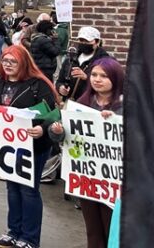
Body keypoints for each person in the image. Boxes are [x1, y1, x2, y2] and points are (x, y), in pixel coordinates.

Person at [0, 45, 58, 248]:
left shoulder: (38, 84)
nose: (7, 65)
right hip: (8, 146)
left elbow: (53, 115)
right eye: (4, 60)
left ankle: (30, 238)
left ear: (23, 62)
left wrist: (42, 129)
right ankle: (14, 231)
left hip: (35, 146)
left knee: (29, 190)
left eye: (13, 61)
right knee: (12, 189)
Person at [49, 57, 123, 248]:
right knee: (92, 230)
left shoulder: (128, 106)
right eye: (94, 75)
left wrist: (115, 120)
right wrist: (57, 131)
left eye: (104, 76)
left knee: (112, 232)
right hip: (87, 180)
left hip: (114, 184)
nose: (97, 79)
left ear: (116, 78)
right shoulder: (82, 102)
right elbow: (67, 138)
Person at [56, 26, 109, 103]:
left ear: (97, 42)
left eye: (87, 41)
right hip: (70, 103)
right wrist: (60, 88)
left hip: (91, 105)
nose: (84, 43)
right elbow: (60, 80)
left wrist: (86, 77)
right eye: (81, 40)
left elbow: (107, 86)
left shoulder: (104, 60)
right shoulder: (71, 57)